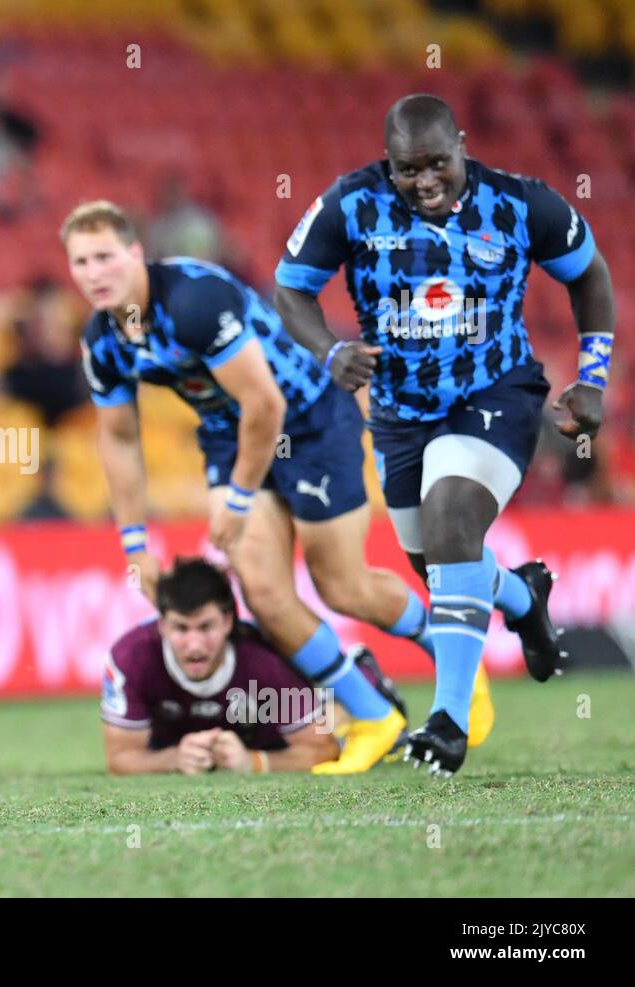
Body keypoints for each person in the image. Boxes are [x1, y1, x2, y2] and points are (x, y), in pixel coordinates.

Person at [273, 93, 614, 775]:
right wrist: (329, 352)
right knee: (441, 570)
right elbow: (290, 289)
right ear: (387, 164)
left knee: (452, 512)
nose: (425, 180)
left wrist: (595, 376)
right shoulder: (350, 205)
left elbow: (591, 277)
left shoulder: (521, 203)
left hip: (496, 392)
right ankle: (522, 595)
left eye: (438, 163)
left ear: (462, 145)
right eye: (408, 169)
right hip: (400, 414)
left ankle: (448, 722)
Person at [64, 199, 446, 775]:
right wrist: (135, 544)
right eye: (80, 262)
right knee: (263, 594)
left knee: (342, 586)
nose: (94, 273)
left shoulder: (193, 302)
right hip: (228, 434)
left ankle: (453, 655)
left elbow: (265, 403)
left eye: (105, 257)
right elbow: (118, 441)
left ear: (136, 254)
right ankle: (374, 716)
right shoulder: (103, 342)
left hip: (310, 418)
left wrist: (238, 499)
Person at [103, 557, 398, 775]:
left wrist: (254, 762)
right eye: (181, 629)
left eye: (206, 627)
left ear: (229, 622)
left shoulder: (264, 661)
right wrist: (175, 759)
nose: (194, 645)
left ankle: (366, 686)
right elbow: (119, 758)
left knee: (334, 720)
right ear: (162, 626)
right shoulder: (131, 658)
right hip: (183, 737)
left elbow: (323, 749)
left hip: (266, 735)